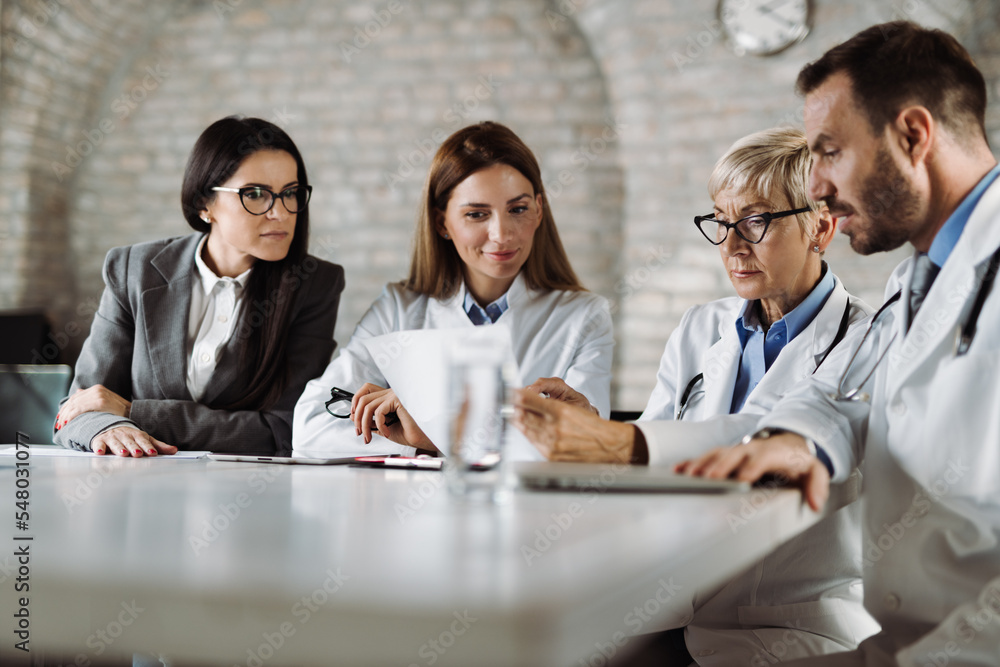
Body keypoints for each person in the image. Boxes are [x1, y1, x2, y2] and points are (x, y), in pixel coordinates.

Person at [677, 22, 1000, 665]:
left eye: (829, 152)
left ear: (913, 136)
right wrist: (795, 440)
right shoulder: (920, 278)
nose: (818, 186)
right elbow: (841, 395)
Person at [515, 127, 879, 663]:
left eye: (755, 221)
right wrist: (595, 429)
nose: (731, 246)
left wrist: (621, 442)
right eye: (721, 221)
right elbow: (651, 470)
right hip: (668, 608)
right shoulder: (700, 327)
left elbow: (768, 441)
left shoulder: (870, 339)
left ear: (820, 229)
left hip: (787, 625)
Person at [293, 121, 613, 457]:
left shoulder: (584, 317)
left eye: (518, 209)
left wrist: (430, 434)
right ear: (441, 222)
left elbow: (586, 446)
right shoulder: (397, 310)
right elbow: (311, 428)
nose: (502, 234)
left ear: (538, 210)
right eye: (477, 214)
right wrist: (430, 438)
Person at [53, 116, 344, 457]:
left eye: (290, 193)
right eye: (254, 194)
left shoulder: (314, 285)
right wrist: (109, 425)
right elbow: (80, 410)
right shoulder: (134, 270)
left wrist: (134, 413)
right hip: (134, 486)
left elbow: (283, 431)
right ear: (205, 204)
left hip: (249, 493)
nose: (280, 213)